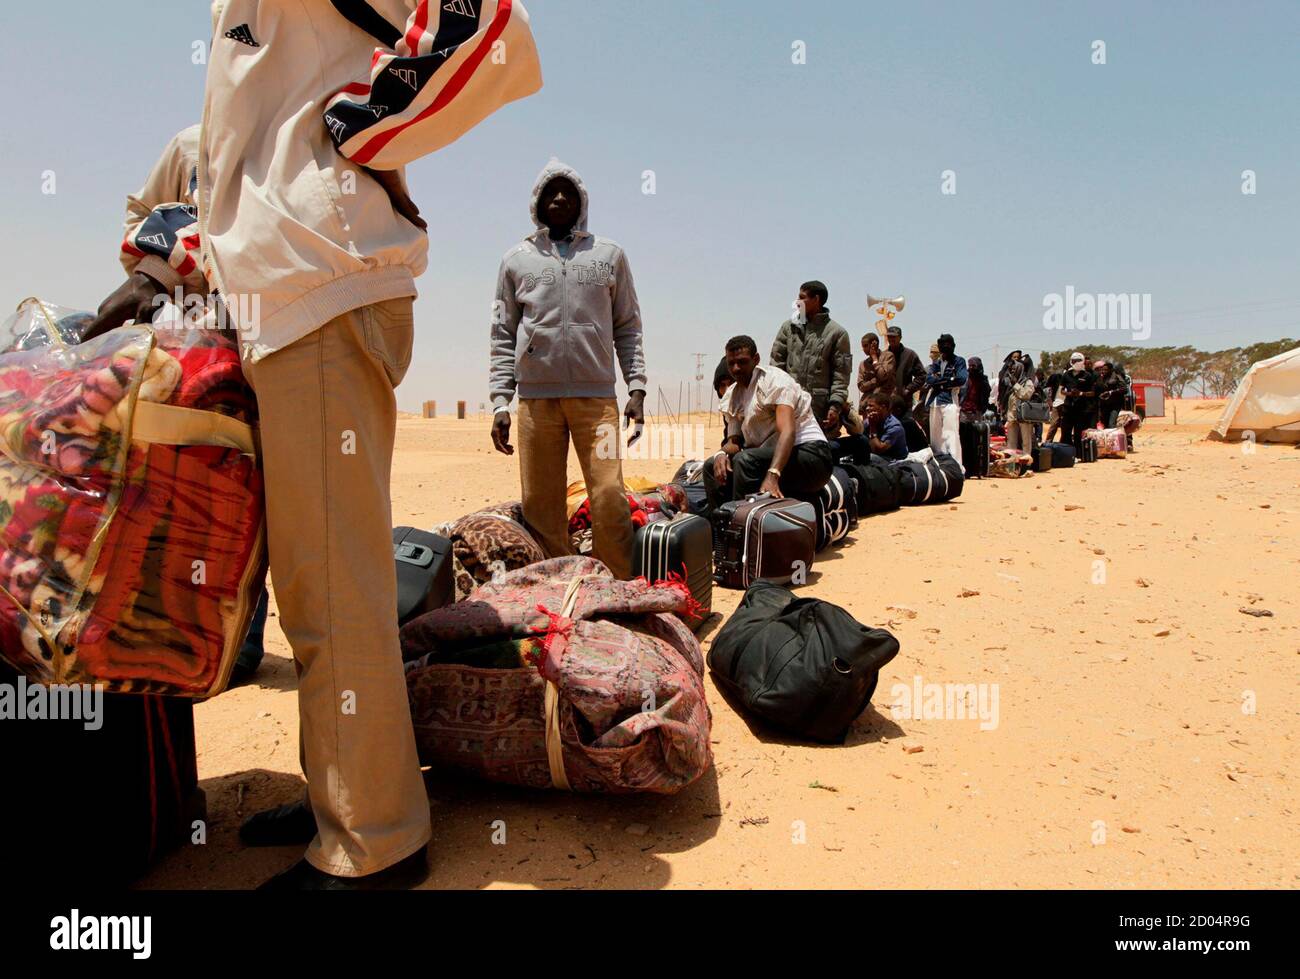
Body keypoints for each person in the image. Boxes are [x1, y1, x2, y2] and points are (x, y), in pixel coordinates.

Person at [88, 1, 542, 891]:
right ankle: (347, 789)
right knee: (311, 581)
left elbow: (485, 23)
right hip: (282, 302)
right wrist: (171, 264)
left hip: (321, 290)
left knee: (333, 584)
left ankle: (372, 842)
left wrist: (349, 133)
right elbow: (247, 158)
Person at [490, 161, 646, 581]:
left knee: (609, 496)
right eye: (550, 192)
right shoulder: (515, 260)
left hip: (597, 400)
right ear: (537, 203)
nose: (559, 199)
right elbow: (502, 332)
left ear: (582, 203)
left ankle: (616, 589)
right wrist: (501, 402)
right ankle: (560, 589)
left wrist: (636, 386)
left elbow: (628, 325)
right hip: (536, 402)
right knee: (541, 507)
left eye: (568, 193)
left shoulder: (609, 255)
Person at [703, 335, 833, 512]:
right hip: (772, 456)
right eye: (731, 363)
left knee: (744, 461)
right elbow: (734, 443)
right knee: (711, 465)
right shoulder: (733, 396)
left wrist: (773, 474)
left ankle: (741, 523)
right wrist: (721, 454)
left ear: (756, 359)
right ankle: (720, 524)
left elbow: (787, 432)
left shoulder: (774, 381)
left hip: (811, 456)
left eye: (742, 362)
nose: (736, 368)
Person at [770, 280, 852, 436]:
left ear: (816, 299)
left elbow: (841, 376)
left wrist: (835, 406)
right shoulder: (789, 328)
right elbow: (776, 365)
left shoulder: (837, 333)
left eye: (802, 297)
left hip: (818, 409)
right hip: (787, 404)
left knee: (816, 447)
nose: (797, 302)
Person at [921, 333, 967, 464]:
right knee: (936, 438)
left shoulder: (959, 361)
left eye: (948, 344)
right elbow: (928, 379)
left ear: (953, 346)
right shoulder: (937, 363)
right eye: (942, 344)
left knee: (951, 435)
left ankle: (957, 466)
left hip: (949, 403)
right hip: (934, 402)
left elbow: (961, 379)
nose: (945, 347)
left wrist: (939, 381)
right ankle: (940, 466)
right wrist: (947, 380)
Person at [1059, 351, 1099, 451]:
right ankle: (1067, 452)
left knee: (1078, 433)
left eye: (1078, 360)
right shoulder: (1066, 375)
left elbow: (1092, 393)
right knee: (1066, 432)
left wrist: (1080, 393)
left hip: (1081, 409)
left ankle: (1078, 452)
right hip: (1068, 408)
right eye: (1074, 360)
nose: (1076, 362)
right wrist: (1069, 394)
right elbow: (1061, 390)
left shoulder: (1087, 376)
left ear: (1082, 361)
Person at [1003, 359, 1037, 453]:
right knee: (1011, 442)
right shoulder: (1010, 383)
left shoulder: (1028, 382)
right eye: (1011, 369)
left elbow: (1025, 395)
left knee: (1026, 442)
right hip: (1012, 416)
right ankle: (1012, 460)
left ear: (1020, 369)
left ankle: (1026, 459)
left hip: (1024, 416)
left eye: (1014, 369)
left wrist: (1016, 385)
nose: (1012, 371)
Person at [856, 332, 895, 406]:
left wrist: (874, 358)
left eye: (865, 346)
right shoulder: (863, 364)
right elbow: (861, 387)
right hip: (867, 404)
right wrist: (875, 381)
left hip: (884, 403)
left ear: (874, 344)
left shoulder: (888, 357)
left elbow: (882, 376)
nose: (863, 349)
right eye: (863, 347)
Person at [960, 355, 991, 421]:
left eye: (973, 366)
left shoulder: (983, 380)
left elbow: (986, 394)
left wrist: (983, 408)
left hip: (977, 412)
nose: (971, 367)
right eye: (970, 365)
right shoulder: (964, 378)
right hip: (964, 411)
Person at [1096, 360, 1126, 429]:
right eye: (1102, 370)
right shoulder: (1101, 378)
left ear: (1110, 370)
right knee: (1105, 425)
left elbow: (1124, 389)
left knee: (1111, 424)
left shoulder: (1117, 377)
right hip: (1104, 405)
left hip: (1115, 405)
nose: (1103, 371)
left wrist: (1110, 392)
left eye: (1105, 370)